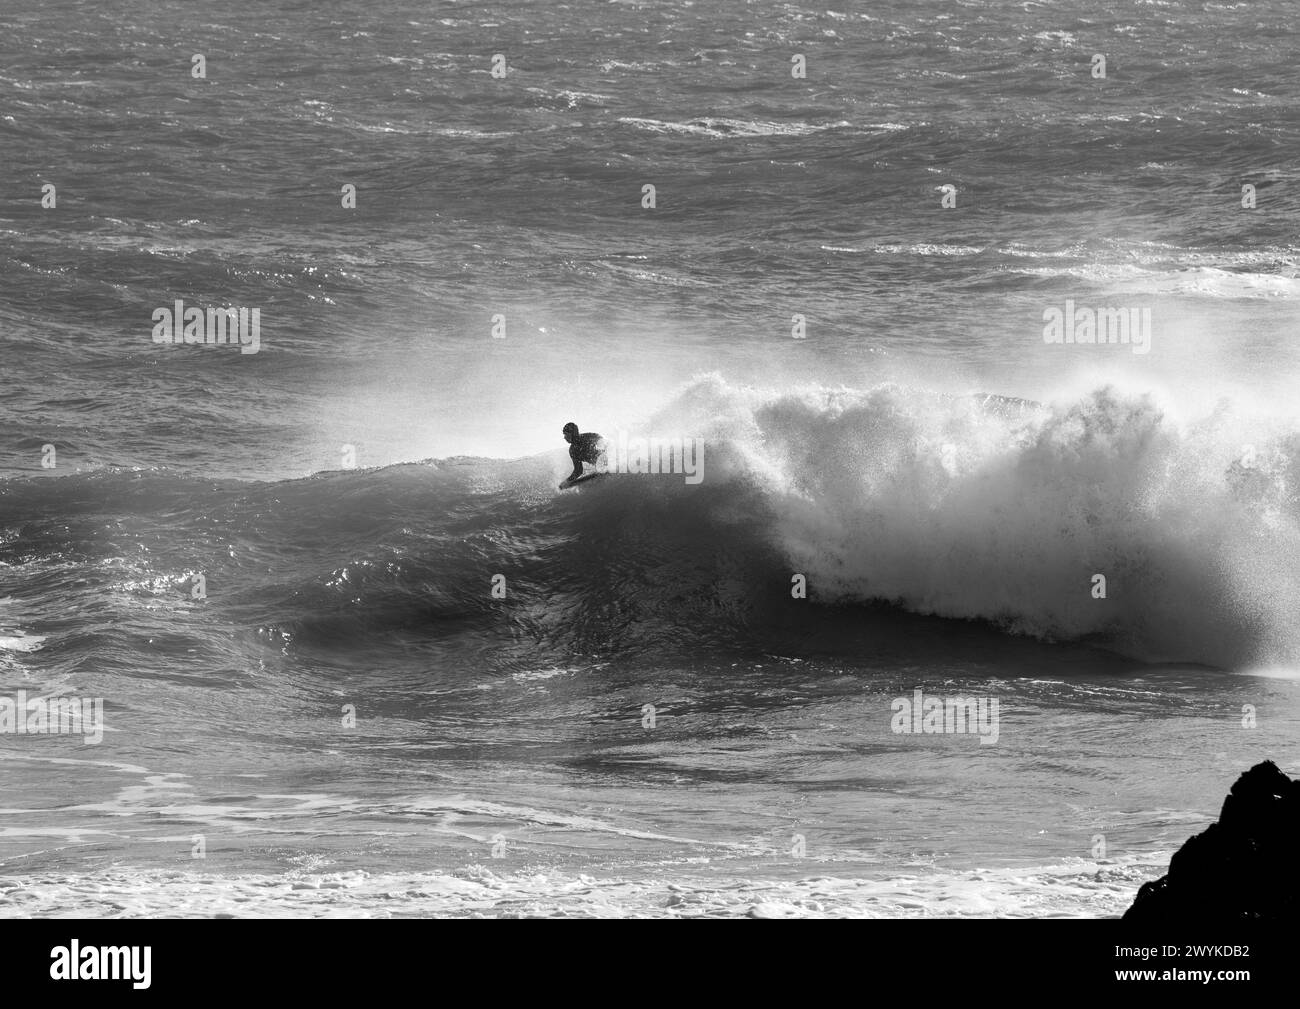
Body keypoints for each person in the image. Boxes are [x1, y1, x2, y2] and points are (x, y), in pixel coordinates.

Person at [561, 422, 603, 487]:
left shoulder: (587, 437)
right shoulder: (573, 451)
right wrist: (567, 481)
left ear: (573, 433)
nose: (565, 438)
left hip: (608, 459)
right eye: (564, 435)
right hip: (600, 466)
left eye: (567, 435)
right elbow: (578, 470)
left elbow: (602, 439)